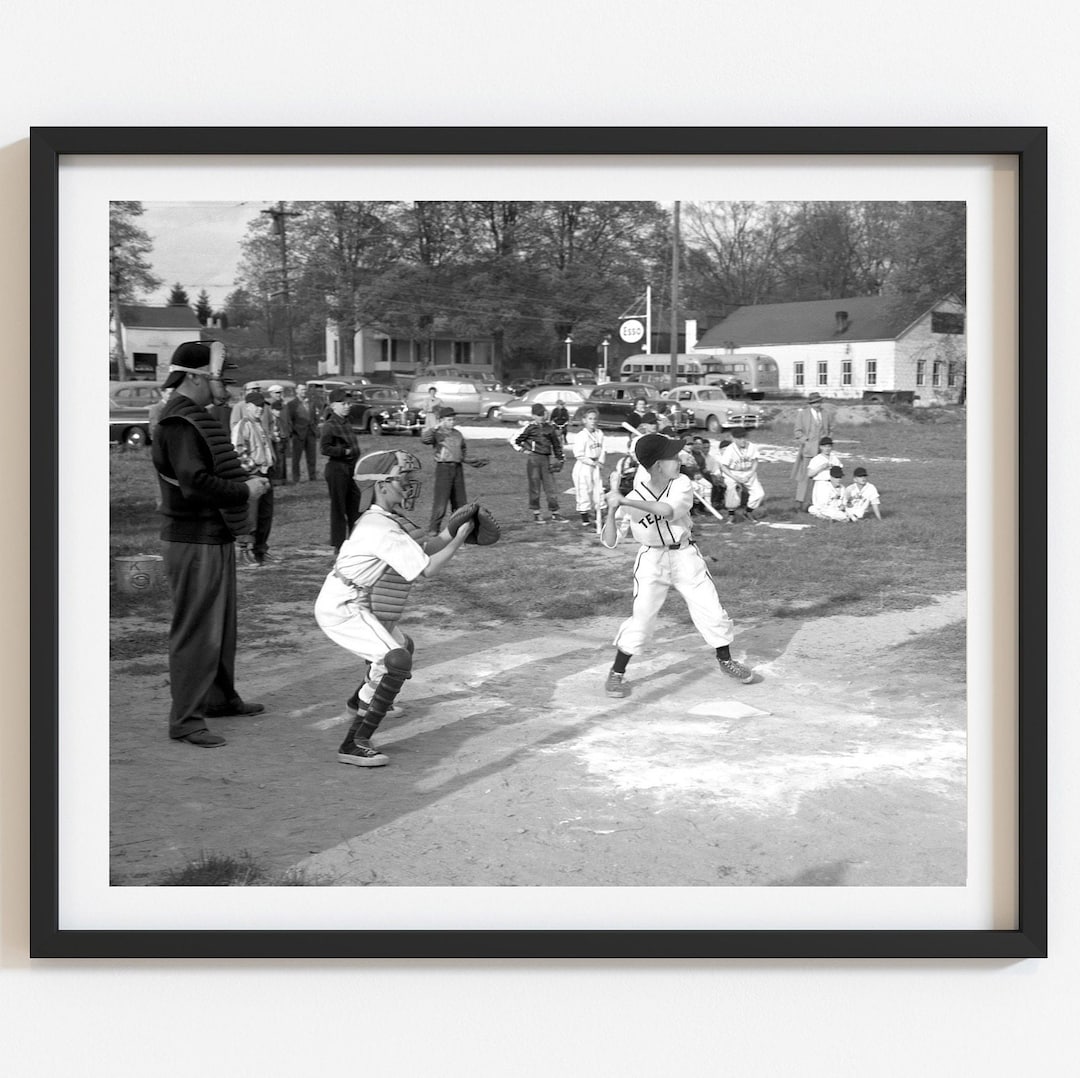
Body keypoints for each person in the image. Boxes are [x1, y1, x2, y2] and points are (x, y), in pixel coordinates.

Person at [315, 450, 474, 767]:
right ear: (380, 485)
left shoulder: (384, 520)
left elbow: (423, 547)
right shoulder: (380, 527)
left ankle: (358, 701)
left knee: (402, 646)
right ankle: (354, 742)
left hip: (352, 597)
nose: (408, 485)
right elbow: (426, 568)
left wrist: (449, 532)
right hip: (343, 606)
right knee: (395, 660)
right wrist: (460, 540)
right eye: (401, 479)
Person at [150, 340, 270, 748]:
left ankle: (219, 699)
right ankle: (184, 719)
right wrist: (246, 490)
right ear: (195, 377)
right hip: (192, 538)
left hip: (211, 536)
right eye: (218, 379)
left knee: (221, 625)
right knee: (197, 628)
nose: (225, 389)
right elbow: (195, 483)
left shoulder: (194, 417)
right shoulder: (179, 423)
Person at [600, 432, 756, 697]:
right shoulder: (636, 494)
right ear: (657, 465)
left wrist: (624, 500)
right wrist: (612, 511)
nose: (679, 461)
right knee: (642, 619)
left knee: (711, 609)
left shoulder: (681, 483)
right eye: (672, 457)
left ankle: (726, 660)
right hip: (651, 560)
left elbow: (669, 511)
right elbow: (610, 541)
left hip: (685, 555)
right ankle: (617, 672)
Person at [421, 406, 489, 532]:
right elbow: (425, 439)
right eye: (448, 420)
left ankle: (459, 529)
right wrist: (435, 427)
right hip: (443, 468)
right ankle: (433, 530)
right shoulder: (437, 433)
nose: (451, 422)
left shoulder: (457, 434)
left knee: (460, 501)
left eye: (452, 420)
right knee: (441, 502)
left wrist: (472, 461)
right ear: (441, 420)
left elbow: (462, 451)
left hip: (457, 469)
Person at [230, 390, 276, 566]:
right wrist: (254, 470)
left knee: (265, 514)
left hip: (265, 473)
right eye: (257, 406)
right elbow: (238, 452)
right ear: (247, 406)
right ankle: (245, 551)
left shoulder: (260, 425)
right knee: (250, 515)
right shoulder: (242, 425)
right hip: (252, 475)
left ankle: (260, 550)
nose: (260, 409)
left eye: (262, 406)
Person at [320, 387, 362, 551]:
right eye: (343, 403)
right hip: (337, 469)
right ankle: (338, 545)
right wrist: (344, 452)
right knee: (339, 508)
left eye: (349, 403)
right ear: (333, 406)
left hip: (350, 470)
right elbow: (324, 448)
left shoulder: (346, 422)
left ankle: (354, 540)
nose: (347, 406)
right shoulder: (330, 425)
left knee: (355, 506)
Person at [513, 402, 568, 524]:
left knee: (550, 487)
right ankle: (536, 513)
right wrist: (523, 450)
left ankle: (555, 513)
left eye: (542, 414)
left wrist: (560, 458)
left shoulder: (549, 428)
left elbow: (556, 445)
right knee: (535, 487)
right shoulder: (530, 428)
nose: (541, 417)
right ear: (533, 416)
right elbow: (516, 440)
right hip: (533, 460)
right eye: (538, 415)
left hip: (546, 459)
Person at [791, 391, 833, 510]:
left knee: (821, 476)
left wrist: (827, 443)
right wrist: (806, 441)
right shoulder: (803, 414)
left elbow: (830, 429)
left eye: (819, 402)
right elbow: (797, 431)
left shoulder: (826, 414)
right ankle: (799, 501)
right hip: (808, 450)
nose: (817, 404)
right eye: (814, 402)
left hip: (822, 451)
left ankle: (814, 501)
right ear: (810, 403)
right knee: (805, 476)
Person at [567, 407, 605, 527]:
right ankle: (585, 520)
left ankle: (598, 517)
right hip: (584, 467)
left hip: (596, 466)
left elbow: (603, 449)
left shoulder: (599, 433)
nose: (593, 421)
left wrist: (601, 462)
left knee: (598, 490)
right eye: (590, 419)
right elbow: (579, 454)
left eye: (594, 419)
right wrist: (592, 462)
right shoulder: (581, 435)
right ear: (584, 420)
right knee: (584, 491)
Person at [718, 427, 765, 521]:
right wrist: (735, 478)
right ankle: (731, 514)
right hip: (732, 472)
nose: (743, 440)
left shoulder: (751, 446)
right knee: (732, 490)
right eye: (739, 438)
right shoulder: (730, 450)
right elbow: (724, 467)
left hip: (748, 472)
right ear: (734, 439)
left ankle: (748, 511)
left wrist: (750, 474)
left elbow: (755, 461)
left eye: (744, 437)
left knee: (759, 494)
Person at [284, 382, 317, 483]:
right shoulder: (291, 404)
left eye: (305, 389)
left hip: (310, 433)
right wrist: (294, 431)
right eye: (302, 389)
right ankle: (296, 478)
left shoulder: (311, 402)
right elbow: (289, 420)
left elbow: (315, 417)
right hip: (298, 434)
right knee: (296, 458)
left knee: (312, 457)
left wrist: (314, 427)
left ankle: (312, 477)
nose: (304, 391)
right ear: (296, 391)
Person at [807, 436, 843, 512]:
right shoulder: (816, 459)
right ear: (821, 447)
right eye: (825, 446)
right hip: (822, 484)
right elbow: (809, 474)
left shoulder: (834, 458)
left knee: (835, 505)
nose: (827, 449)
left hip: (833, 484)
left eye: (829, 446)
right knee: (821, 506)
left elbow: (840, 470)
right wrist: (821, 467)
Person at [265, 384, 288, 484]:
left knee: (282, 458)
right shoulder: (267, 405)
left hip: (282, 434)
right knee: (275, 458)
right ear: (271, 393)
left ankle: (282, 478)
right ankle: (276, 478)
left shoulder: (284, 405)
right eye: (276, 393)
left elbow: (286, 420)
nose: (279, 395)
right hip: (273, 435)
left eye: (280, 392)